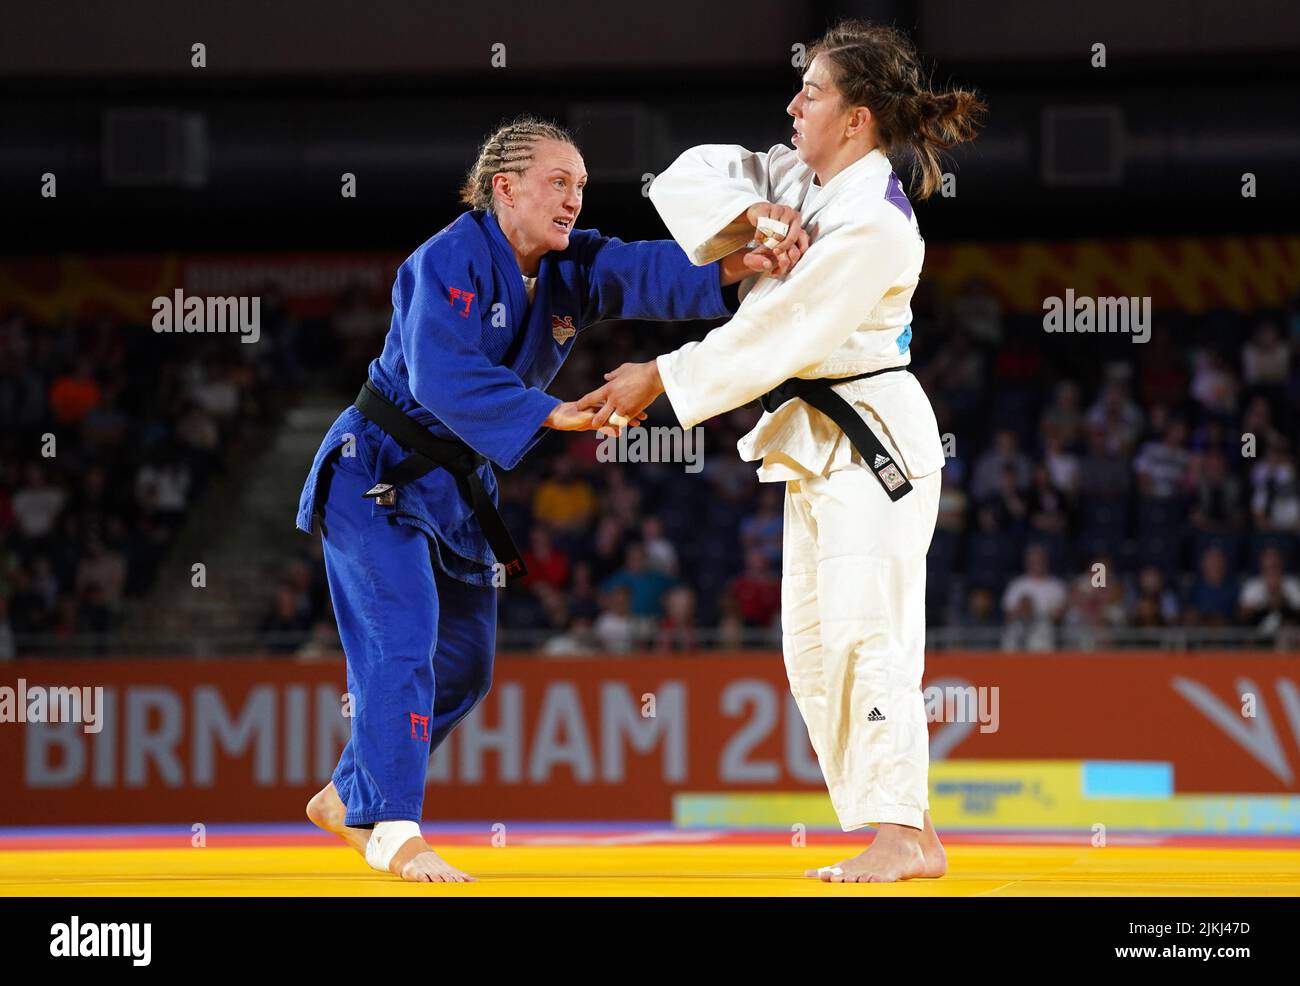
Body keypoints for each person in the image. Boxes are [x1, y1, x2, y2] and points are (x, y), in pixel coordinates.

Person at [297, 116, 784, 882]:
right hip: (376, 474)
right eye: (559, 182)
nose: (574, 200)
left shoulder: (569, 266)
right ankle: (392, 828)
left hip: (454, 488)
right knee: (404, 642)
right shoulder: (447, 260)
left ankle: (348, 794)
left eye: (582, 186)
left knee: (465, 667)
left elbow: (643, 270)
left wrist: (736, 265)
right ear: (505, 188)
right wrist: (548, 411)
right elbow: (436, 373)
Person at [584, 21, 983, 882]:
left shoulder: (874, 222)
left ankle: (900, 837)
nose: (794, 104)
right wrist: (749, 213)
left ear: (860, 119)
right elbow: (690, 173)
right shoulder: (804, 180)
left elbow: (779, 333)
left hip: (874, 445)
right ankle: (908, 825)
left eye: (814, 93)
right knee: (811, 645)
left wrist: (659, 374)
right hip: (820, 450)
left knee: (865, 633)